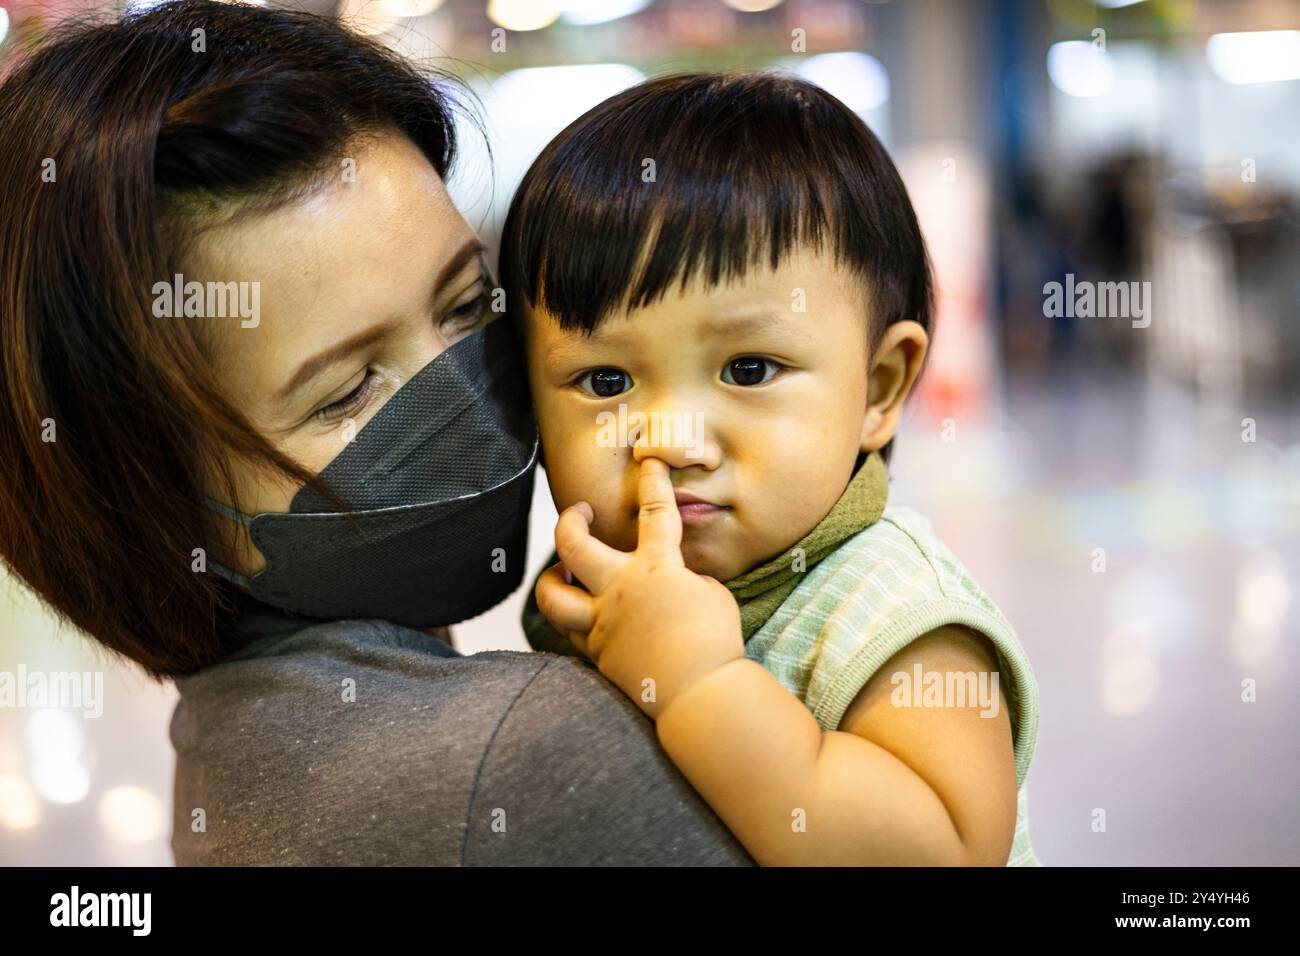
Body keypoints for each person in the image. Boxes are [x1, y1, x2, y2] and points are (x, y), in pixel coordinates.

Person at [0, 2, 751, 866]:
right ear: (153, 504)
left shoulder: (231, 749)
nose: (463, 401)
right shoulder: (524, 759)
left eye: (468, 306)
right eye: (349, 390)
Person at [502, 73, 1042, 865]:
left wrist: (696, 681)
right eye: (607, 381)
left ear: (880, 386)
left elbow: (948, 853)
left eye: (749, 370)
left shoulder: (889, 614)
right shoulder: (605, 586)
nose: (674, 441)